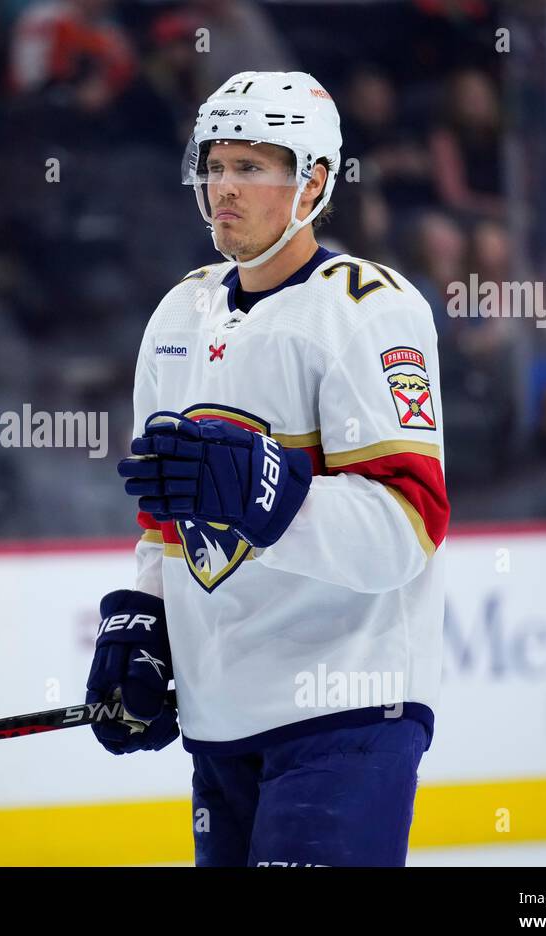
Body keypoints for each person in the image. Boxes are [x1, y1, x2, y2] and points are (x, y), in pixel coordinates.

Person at [85, 71, 449, 867]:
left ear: (315, 179)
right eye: (214, 166)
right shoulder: (177, 317)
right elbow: (164, 520)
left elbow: (408, 526)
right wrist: (144, 623)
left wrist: (270, 496)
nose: (224, 188)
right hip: (223, 719)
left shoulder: (368, 307)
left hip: (347, 714)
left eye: (251, 168)